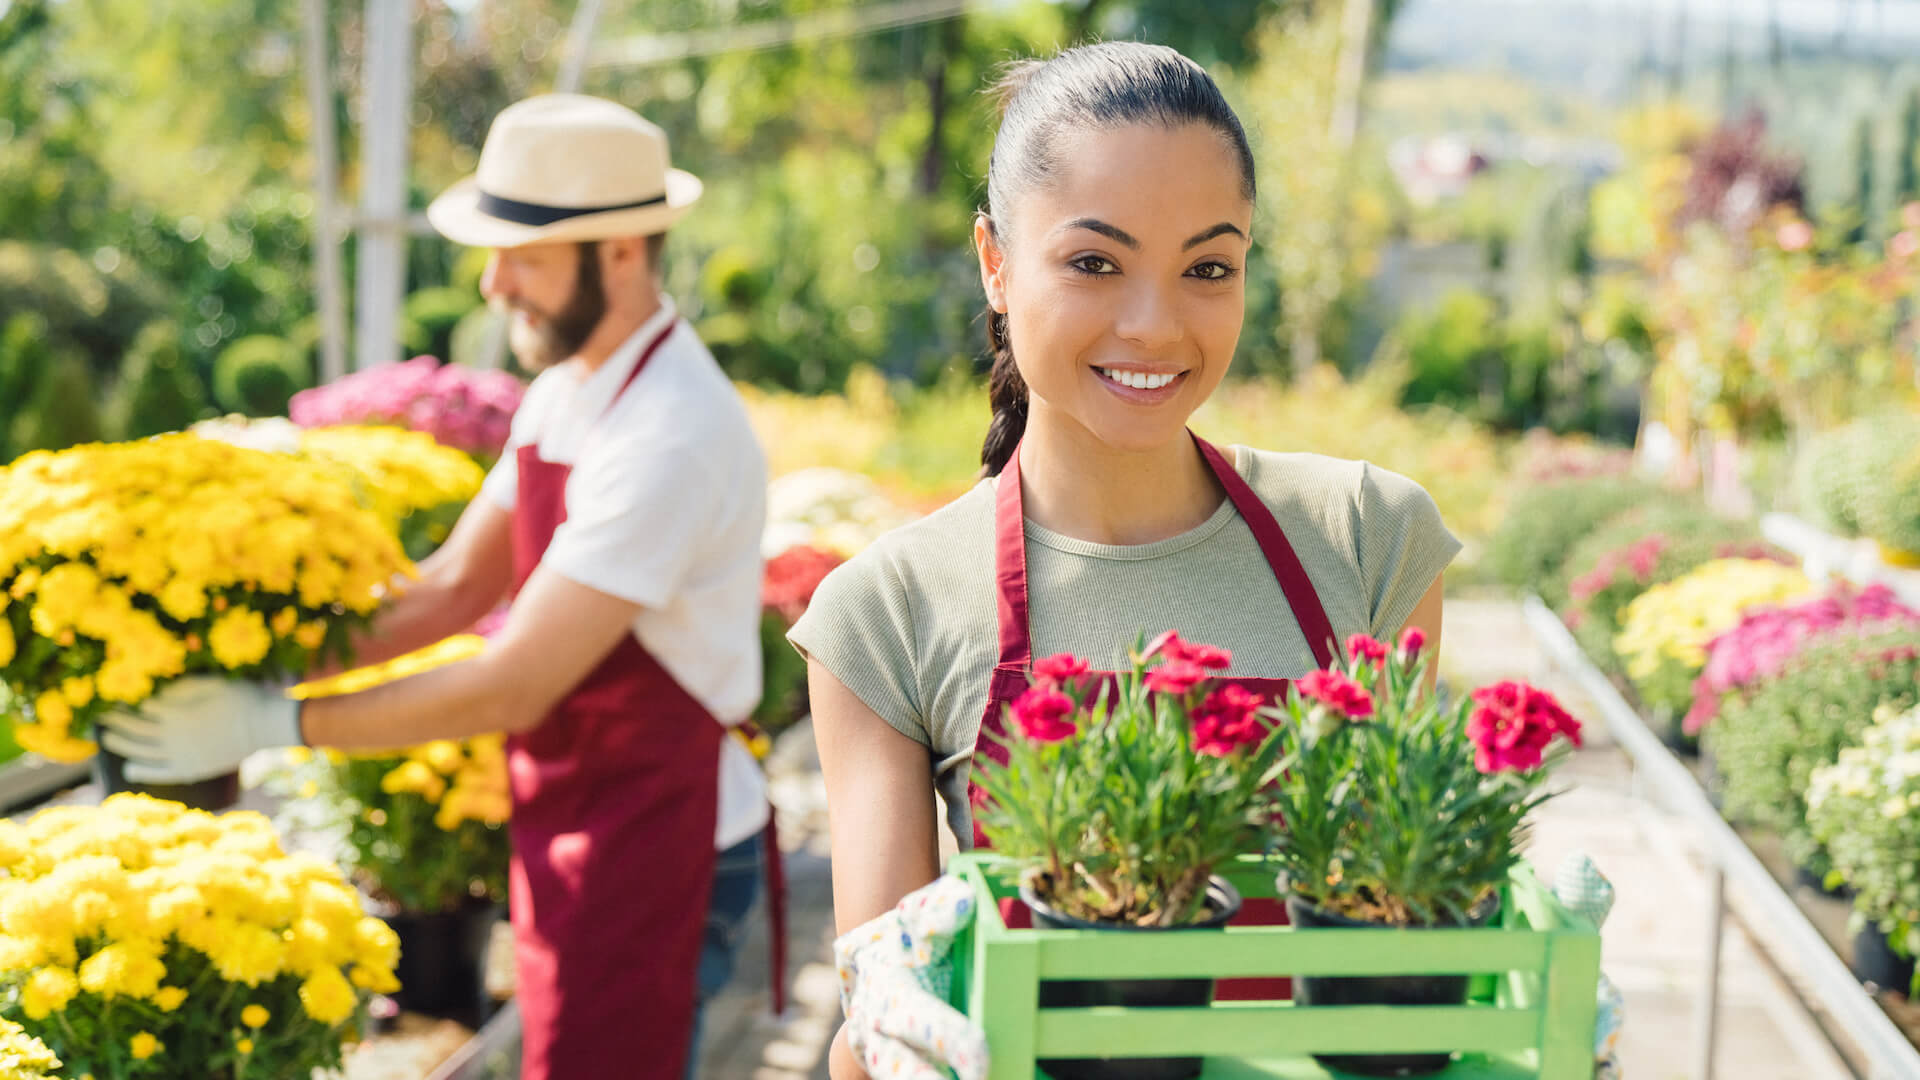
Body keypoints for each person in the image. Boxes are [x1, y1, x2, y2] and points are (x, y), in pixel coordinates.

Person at [786, 43, 1459, 1079]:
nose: (1155, 325)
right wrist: (881, 1037)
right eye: (1095, 263)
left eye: (1207, 268)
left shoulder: (1369, 538)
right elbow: (886, 1007)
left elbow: (1403, 926)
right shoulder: (887, 610)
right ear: (995, 263)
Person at [101, 94, 775, 1080]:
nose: (495, 284)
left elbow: (515, 683)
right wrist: (246, 655)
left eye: (526, 256)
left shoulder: (668, 433)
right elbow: (456, 585)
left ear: (625, 248)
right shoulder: (570, 389)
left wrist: (272, 726)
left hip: (660, 845)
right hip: (576, 815)